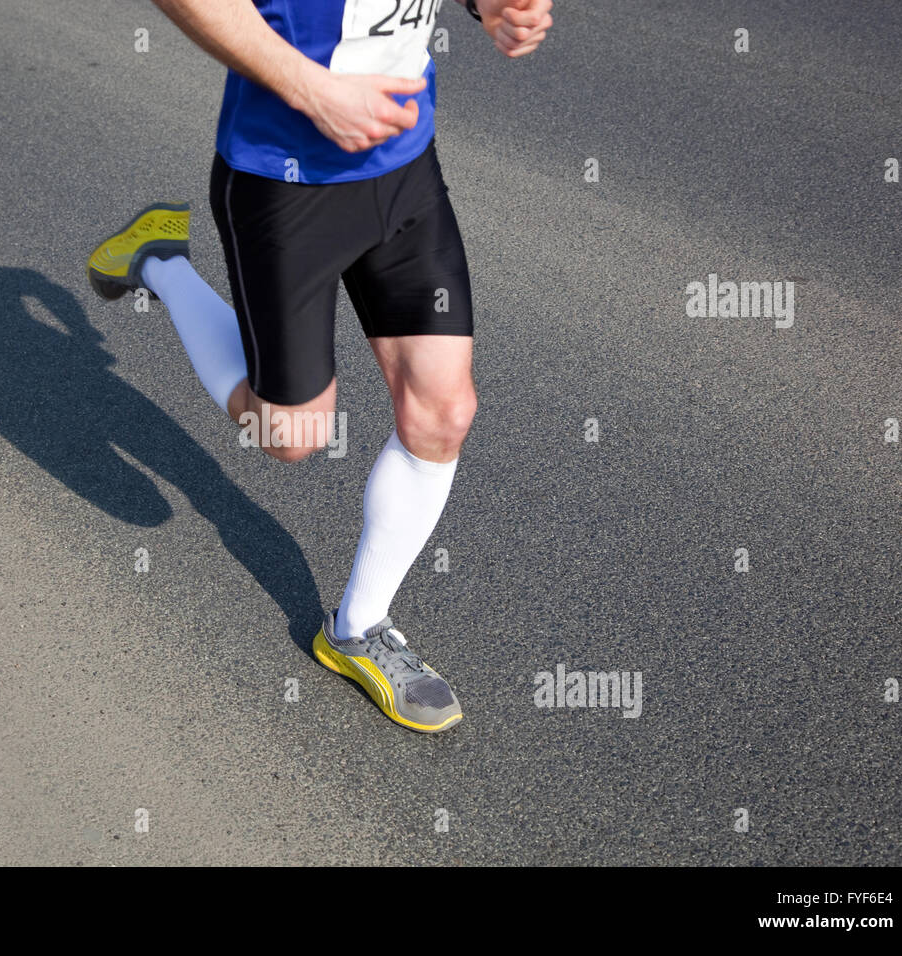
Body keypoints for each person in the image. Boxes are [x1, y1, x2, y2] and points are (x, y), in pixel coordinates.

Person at [86, 0, 553, 732]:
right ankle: (161, 263)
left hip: (403, 171)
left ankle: (358, 627)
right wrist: (311, 89)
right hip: (283, 182)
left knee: (444, 411)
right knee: (290, 438)